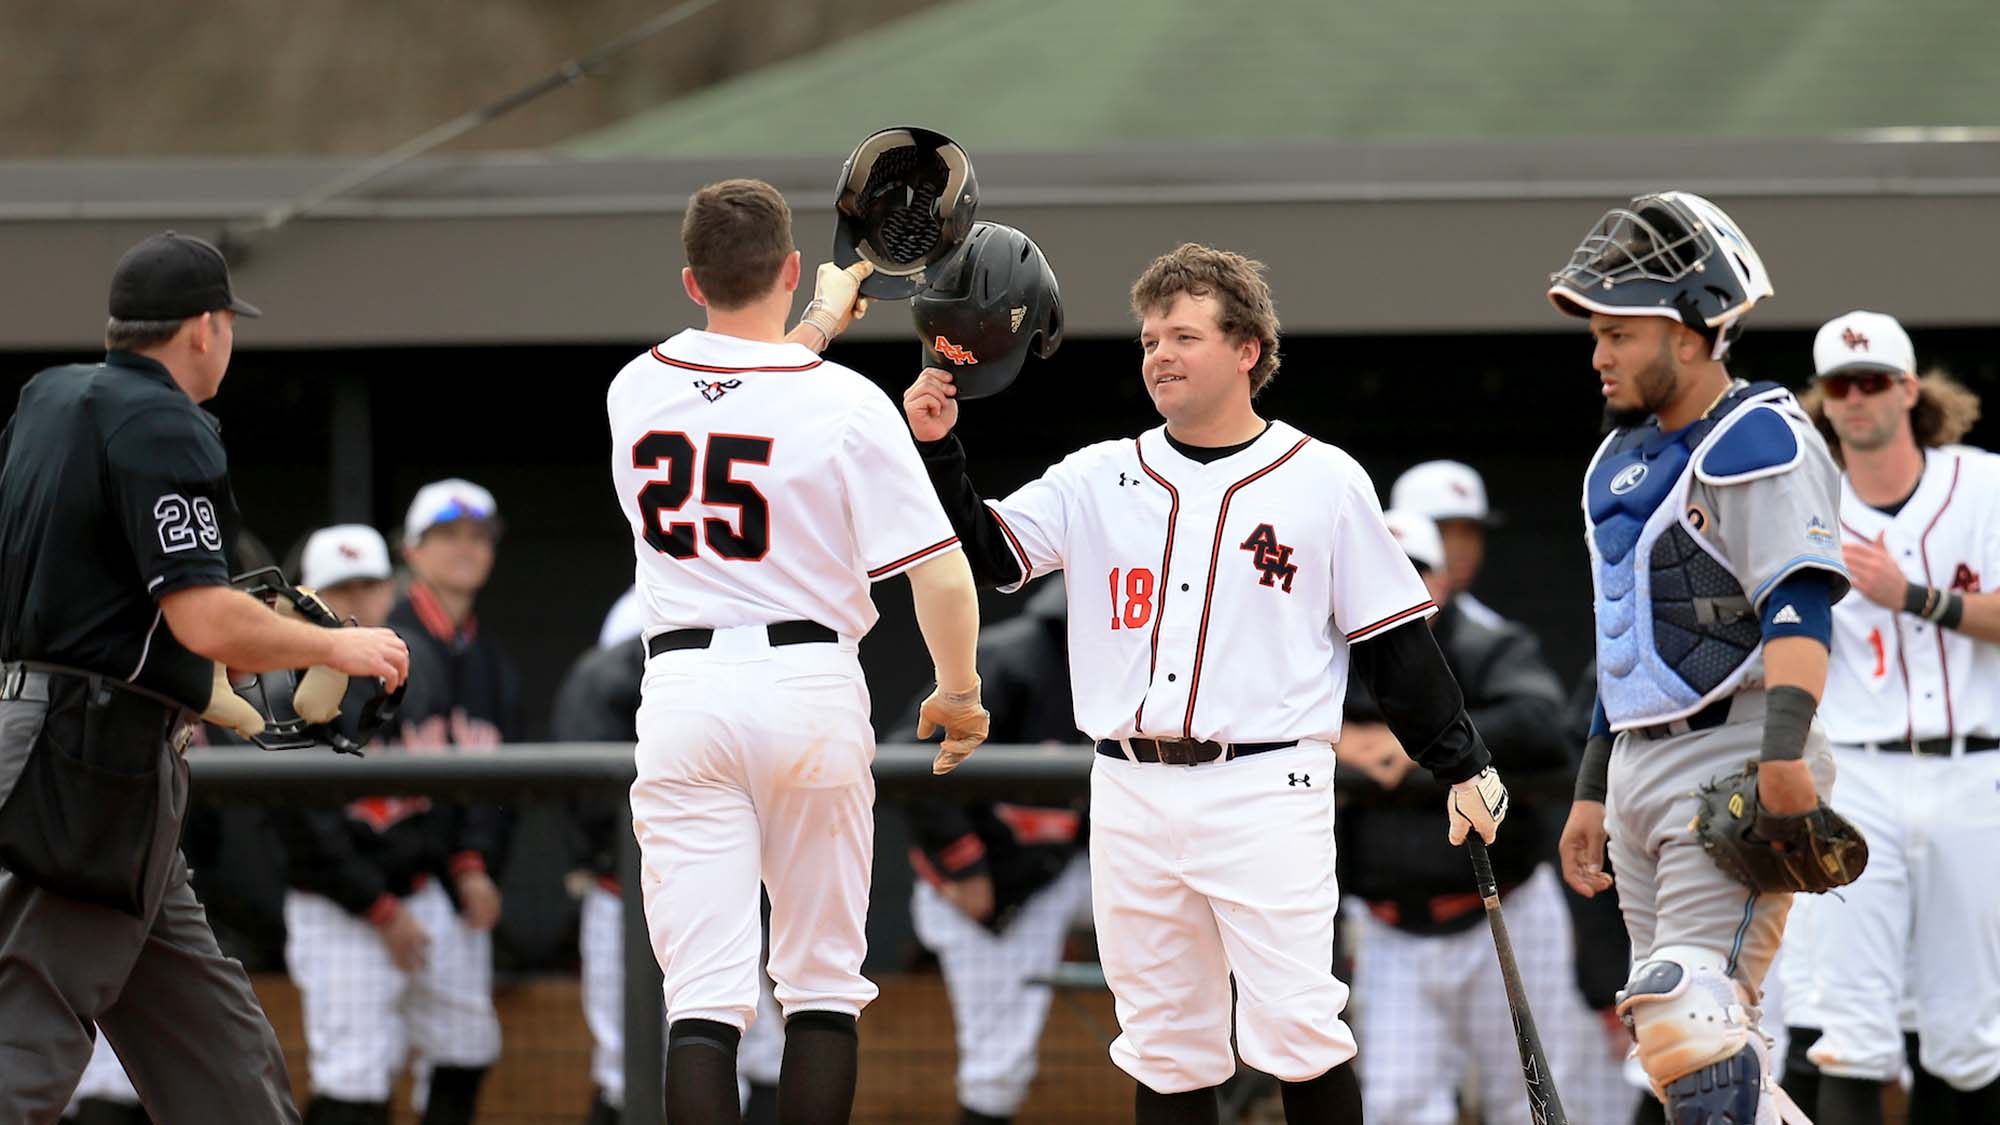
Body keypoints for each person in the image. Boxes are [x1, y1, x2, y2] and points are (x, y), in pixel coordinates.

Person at [904, 242, 1508, 1124]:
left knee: (1299, 1030)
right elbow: (990, 554)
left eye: (1184, 335)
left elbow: (1396, 642)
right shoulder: (1098, 473)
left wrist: (1460, 761)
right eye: (1150, 339)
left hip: (1265, 781)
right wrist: (938, 449)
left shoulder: (1324, 479)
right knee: (1164, 1042)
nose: (1160, 355)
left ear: (1247, 351)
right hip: (1127, 783)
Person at [0, 231, 409, 1123]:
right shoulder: (163, 419)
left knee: (222, 1056)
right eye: (227, 324)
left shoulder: (48, 396)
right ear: (205, 328)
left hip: (86, 744)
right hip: (85, 761)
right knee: (24, 1038)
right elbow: (203, 614)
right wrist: (339, 648)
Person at [607, 178, 987, 1125]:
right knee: (819, 981)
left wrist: (815, 324)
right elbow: (940, 575)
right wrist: (959, 691)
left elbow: (739, 390)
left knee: (702, 996)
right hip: (808, 685)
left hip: (684, 689)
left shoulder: (634, 387)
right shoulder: (847, 404)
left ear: (692, 281)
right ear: (786, 267)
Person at [1548, 191, 1848, 1124]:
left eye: (1619, 333)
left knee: (1695, 1022)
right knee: (1682, 1047)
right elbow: (1622, 644)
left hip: (1737, 748)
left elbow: (1799, 605)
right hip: (1638, 761)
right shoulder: (1617, 460)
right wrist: (1594, 788)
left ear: (1690, 332)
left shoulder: (1759, 432)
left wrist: (1787, 754)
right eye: (1596, 333)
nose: (1599, 354)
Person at [1782, 310, 2000, 1123]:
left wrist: (1912, 596)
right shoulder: (1803, 497)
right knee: (1849, 1025)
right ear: (1824, 400)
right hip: (1856, 772)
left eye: (1873, 379)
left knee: (1970, 1028)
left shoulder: (1983, 483)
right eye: (1841, 384)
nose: (1857, 396)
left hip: (1974, 766)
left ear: (1911, 388)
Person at [1337, 509, 1597, 1125]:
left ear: (1441, 581)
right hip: (1390, 926)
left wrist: (1419, 746)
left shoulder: (1485, 645)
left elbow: (1545, 729)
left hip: (1502, 913)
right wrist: (1335, 738)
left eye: (1413, 571)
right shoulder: (1330, 654)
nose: (1395, 585)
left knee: (1529, 1097)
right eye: (1381, 573)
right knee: (1397, 1105)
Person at [554, 601, 784, 1125]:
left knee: (757, 1053)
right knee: (625, 1066)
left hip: (714, 897)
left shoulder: (737, 681)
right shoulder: (609, 669)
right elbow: (589, 808)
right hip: (624, 896)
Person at [894, 577, 1094, 1125]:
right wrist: (963, 864)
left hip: (1060, 875)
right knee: (999, 1070)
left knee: (1197, 905)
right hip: (984, 891)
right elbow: (908, 761)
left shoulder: (1118, 680)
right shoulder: (1009, 659)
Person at [1388, 461, 1506, 627]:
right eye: (1440, 531)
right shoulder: (1348, 619)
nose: (1459, 548)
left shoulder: (1496, 642)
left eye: (1469, 531)